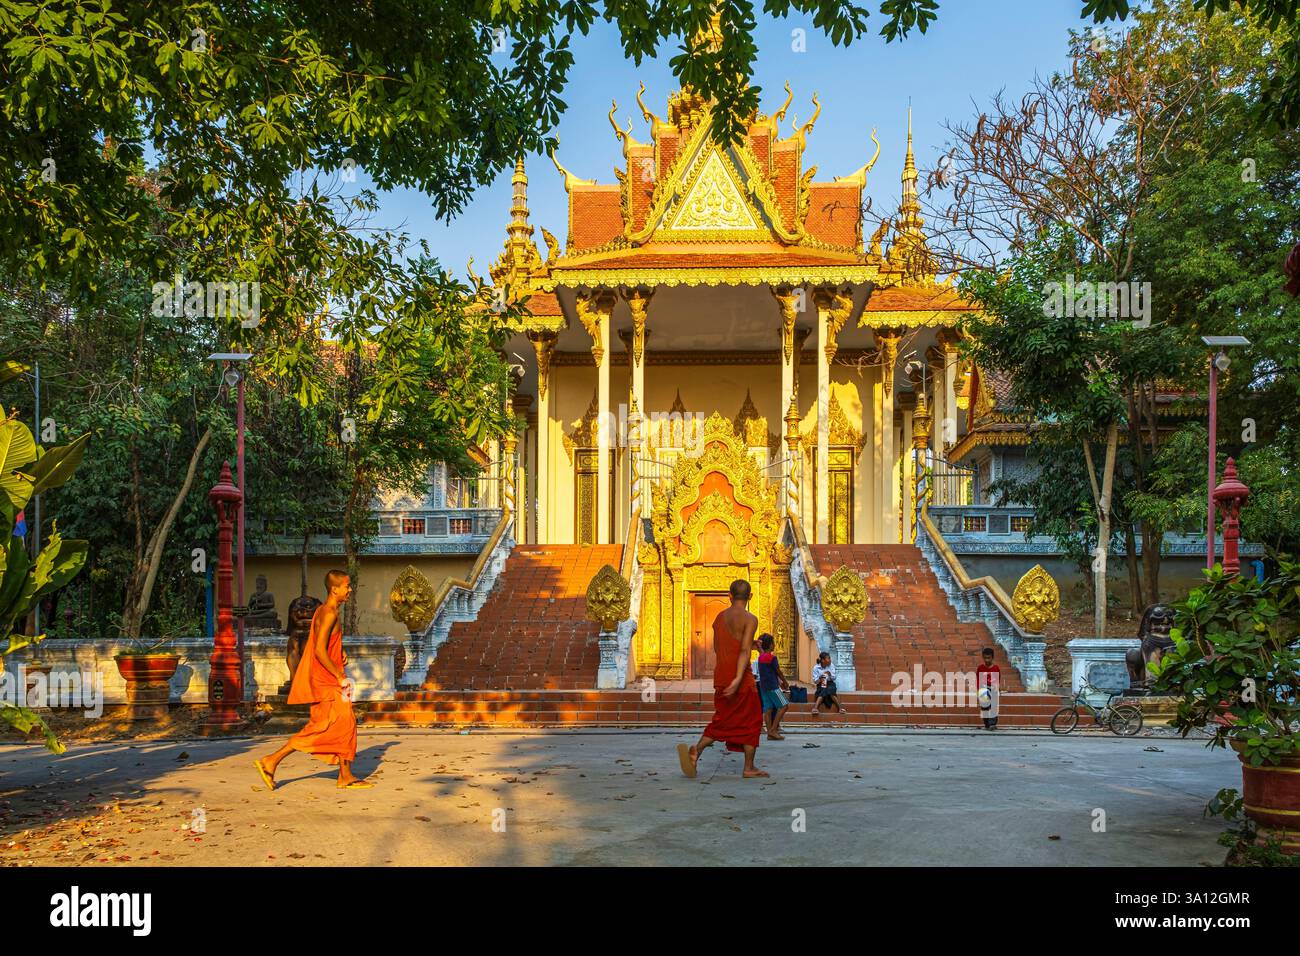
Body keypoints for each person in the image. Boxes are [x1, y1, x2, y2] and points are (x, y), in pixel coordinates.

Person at [254, 570, 372, 789]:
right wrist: (338, 675)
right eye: (346, 586)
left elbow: (324, 642)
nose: (350, 589)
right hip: (327, 681)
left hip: (326, 678)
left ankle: (345, 775)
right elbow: (318, 650)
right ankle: (271, 760)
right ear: (334, 589)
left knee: (341, 724)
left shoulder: (324, 611)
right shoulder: (328, 613)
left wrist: (340, 651)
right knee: (332, 725)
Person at [677, 579, 766, 779]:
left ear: (730, 595)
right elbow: (743, 650)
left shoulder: (718, 617)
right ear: (750, 596)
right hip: (740, 678)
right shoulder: (750, 619)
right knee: (752, 721)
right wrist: (737, 678)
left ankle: (696, 751)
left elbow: (722, 647)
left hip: (722, 674)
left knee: (724, 719)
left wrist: (750, 645)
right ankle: (749, 767)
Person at [755, 633, 790, 740]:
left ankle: (770, 733)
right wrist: (784, 682)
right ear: (770, 645)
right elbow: (778, 671)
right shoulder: (772, 658)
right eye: (773, 643)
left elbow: (761, 651)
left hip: (763, 686)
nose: (774, 644)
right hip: (772, 686)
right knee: (784, 705)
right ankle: (773, 730)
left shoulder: (761, 657)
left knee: (768, 709)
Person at [810, 651, 846, 716]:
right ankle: (840, 708)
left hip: (830, 683)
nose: (830, 660)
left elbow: (834, 677)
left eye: (829, 658)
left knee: (830, 690)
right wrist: (820, 679)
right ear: (823, 660)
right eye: (828, 658)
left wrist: (829, 674)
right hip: (821, 683)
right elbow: (815, 681)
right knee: (823, 689)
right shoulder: (816, 668)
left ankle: (815, 708)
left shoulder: (831, 665)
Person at [976, 646, 1000, 731]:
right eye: (985, 658)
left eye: (989, 658)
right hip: (983, 689)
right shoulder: (980, 668)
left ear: (992, 657)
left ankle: (992, 724)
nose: (987, 660)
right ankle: (986, 724)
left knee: (993, 706)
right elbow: (978, 679)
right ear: (983, 657)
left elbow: (997, 679)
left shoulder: (995, 668)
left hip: (992, 689)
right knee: (984, 707)